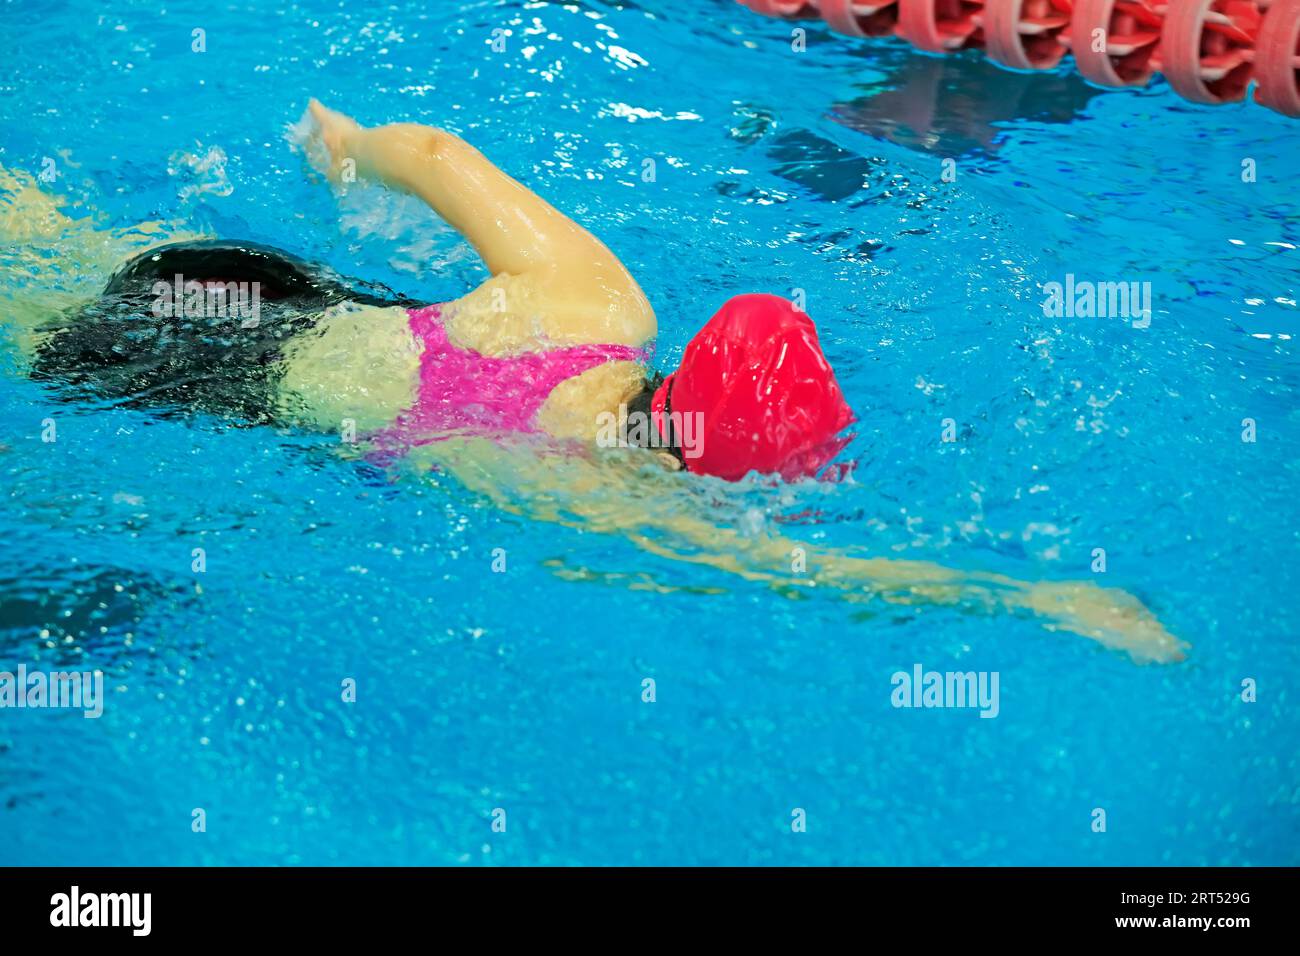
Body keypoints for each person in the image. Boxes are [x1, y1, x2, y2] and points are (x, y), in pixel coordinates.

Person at [0, 102, 1186, 663]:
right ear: (698, 470)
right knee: (26, 317)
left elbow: (442, 156)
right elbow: (816, 576)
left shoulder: (597, 304)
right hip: (210, 377)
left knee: (53, 236)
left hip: (275, 288)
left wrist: (345, 151)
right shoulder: (592, 499)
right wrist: (1036, 601)